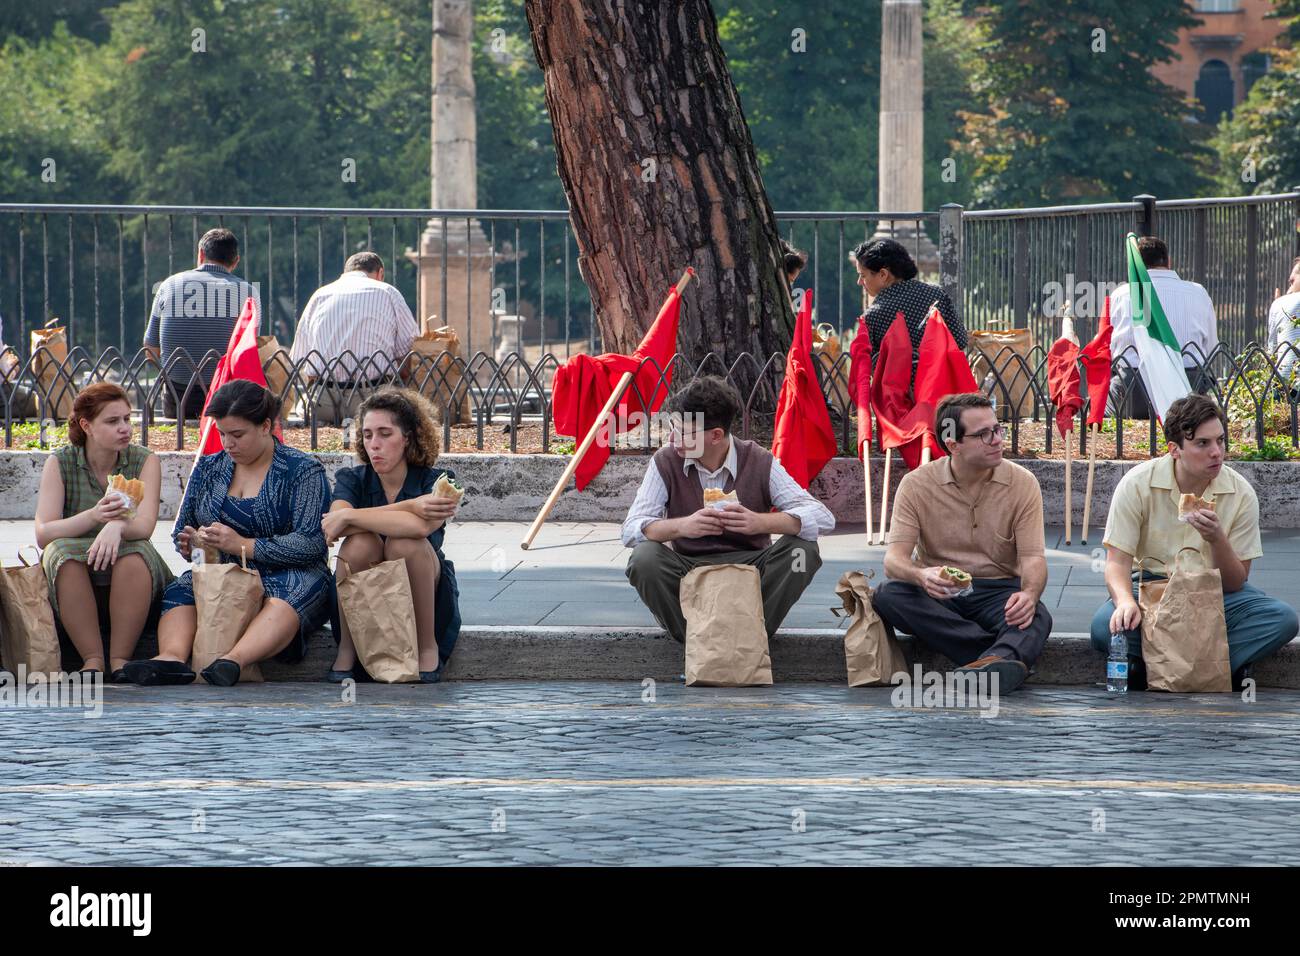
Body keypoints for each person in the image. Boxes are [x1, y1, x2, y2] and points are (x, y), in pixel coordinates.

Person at [123, 380, 331, 687]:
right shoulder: (209, 468)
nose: (227, 443)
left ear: (265, 426)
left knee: (291, 593)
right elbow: (184, 531)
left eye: (237, 434)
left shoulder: (302, 470)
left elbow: (311, 543)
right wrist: (192, 545)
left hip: (293, 572)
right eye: (221, 433)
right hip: (224, 574)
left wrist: (244, 545)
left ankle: (234, 661)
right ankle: (171, 658)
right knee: (182, 588)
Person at [1090, 394, 1298, 690]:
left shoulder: (1240, 493)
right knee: (1103, 627)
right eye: (1203, 443)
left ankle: (1160, 667)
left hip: (1214, 591)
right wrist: (1124, 601)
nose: (1216, 452)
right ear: (1175, 449)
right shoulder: (1137, 484)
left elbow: (1236, 582)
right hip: (1151, 587)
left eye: (1220, 441)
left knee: (1282, 620)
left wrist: (1217, 540)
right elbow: (1116, 563)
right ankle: (1217, 665)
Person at [622, 375, 835, 644]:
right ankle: (695, 642)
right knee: (644, 558)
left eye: (684, 432)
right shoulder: (666, 461)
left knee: (802, 552)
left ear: (716, 435)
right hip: (688, 567)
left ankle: (750, 639)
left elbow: (824, 518)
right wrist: (682, 526)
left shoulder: (757, 460)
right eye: (672, 428)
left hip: (751, 565)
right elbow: (630, 529)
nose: (673, 438)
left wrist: (761, 523)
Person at [872, 392, 1051, 694]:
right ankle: (998, 658)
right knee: (888, 595)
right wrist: (920, 575)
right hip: (940, 591)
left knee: (1038, 614)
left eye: (998, 429)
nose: (997, 440)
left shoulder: (1023, 482)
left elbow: (1033, 558)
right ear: (953, 444)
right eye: (983, 434)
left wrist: (1030, 594)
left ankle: (988, 661)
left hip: (998, 591)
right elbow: (893, 561)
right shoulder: (916, 485)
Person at [33, 384, 174, 679]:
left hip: (130, 573)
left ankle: (120, 659)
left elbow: (145, 525)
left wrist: (116, 525)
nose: (124, 428)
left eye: (127, 419)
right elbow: (45, 532)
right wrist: (94, 515)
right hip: (77, 574)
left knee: (137, 553)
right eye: (112, 421)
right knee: (60, 552)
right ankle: (93, 660)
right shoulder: (60, 462)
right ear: (87, 426)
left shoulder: (144, 460)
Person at [323, 388, 462, 683]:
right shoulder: (353, 479)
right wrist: (410, 506)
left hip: (423, 584)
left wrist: (352, 517)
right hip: (365, 588)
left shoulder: (439, 480)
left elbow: (420, 528)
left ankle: (426, 647)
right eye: (368, 434)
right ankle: (347, 649)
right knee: (359, 544)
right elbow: (335, 524)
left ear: (408, 437)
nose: (374, 445)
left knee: (404, 544)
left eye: (385, 434)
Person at [143, 228, 261, 421]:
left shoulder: (169, 285)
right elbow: (249, 349)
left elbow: (150, 348)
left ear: (201, 254)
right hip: (226, 398)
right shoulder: (247, 292)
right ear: (236, 261)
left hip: (178, 396)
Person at [290, 252, 419, 426]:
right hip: (377, 400)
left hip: (323, 402)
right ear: (380, 273)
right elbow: (410, 349)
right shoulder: (388, 293)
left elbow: (299, 359)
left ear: (346, 272)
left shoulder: (319, 295)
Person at [1106, 235, 1218, 419]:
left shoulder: (1121, 294)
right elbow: (1212, 349)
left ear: (1135, 266)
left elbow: (1112, 349)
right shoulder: (1198, 292)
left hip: (1132, 390)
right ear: (1168, 261)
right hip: (1188, 389)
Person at [851, 238, 966, 369]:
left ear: (883, 274)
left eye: (863, 275)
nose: (859, 282)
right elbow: (960, 340)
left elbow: (870, 366)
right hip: (942, 384)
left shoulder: (873, 317)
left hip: (902, 389)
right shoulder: (937, 294)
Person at [1265, 256, 1300, 390]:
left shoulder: (1282, 303)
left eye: (1292, 281)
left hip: (1288, 385)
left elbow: (1272, 350)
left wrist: (1280, 303)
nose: (1289, 285)